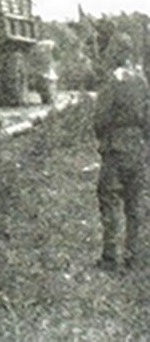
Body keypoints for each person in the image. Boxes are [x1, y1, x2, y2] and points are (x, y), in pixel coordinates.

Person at [94, 33, 150, 271]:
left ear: (115, 53)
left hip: (116, 148)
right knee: (135, 204)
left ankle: (110, 257)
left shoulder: (112, 81)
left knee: (109, 201)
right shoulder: (141, 80)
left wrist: (103, 139)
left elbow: (101, 119)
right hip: (137, 147)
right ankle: (134, 257)